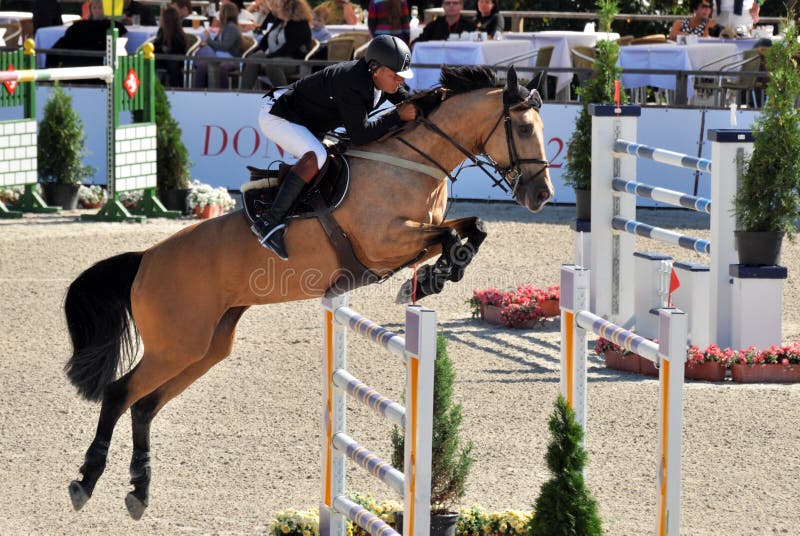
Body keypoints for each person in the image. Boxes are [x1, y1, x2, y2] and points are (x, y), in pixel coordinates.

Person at [251, 35, 418, 259]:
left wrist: (435, 101)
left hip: (304, 121)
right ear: (375, 68)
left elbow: (407, 101)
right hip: (279, 116)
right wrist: (397, 116)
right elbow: (361, 135)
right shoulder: (351, 82)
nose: (400, 81)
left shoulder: (380, 78)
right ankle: (269, 222)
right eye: (396, 75)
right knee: (317, 155)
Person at [240, 0, 313, 90]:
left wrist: (268, 57)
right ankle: (244, 92)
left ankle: (283, 96)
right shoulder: (279, 21)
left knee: (272, 65)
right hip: (275, 55)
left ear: (289, 9)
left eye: (279, 6)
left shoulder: (301, 25)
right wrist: (257, 51)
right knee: (253, 58)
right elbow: (265, 40)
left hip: (293, 59)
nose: (276, 9)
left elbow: (289, 49)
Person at [46, 0, 128, 69]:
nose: (97, 10)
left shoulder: (112, 25)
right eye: (94, 8)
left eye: (100, 8)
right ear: (91, 9)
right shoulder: (79, 26)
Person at [194, 2, 244, 88]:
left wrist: (208, 40)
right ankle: (199, 92)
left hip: (231, 59)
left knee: (222, 68)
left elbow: (225, 46)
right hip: (221, 57)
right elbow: (218, 44)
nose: (219, 14)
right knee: (202, 66)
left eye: (220, 11)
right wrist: (206, 42)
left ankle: (222, 94)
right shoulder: (224, 27)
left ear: (225, 13)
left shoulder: (231, 27)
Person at [153, 6, 188, 87]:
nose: (160, 20)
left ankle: (172, 87)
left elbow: (178, 50)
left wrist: (164, 49)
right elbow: (157, 46)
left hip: (174, 61)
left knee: (173, 65)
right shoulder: (161, 31)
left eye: (162, 17)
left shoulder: (178, 36)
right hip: (163, 59)